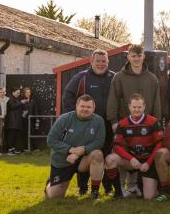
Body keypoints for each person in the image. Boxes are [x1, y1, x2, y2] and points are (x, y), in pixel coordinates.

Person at [106, 43, 161, 196]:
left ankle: (133, 186)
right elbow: (113, 99)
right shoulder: (119, 77)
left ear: (144, 57)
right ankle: (120, 187)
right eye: (133, 56)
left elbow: (156, 102)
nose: (136, 59)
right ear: (128, 57)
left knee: (141, 153)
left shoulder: (152, 78)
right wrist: (113, 121)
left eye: (139, 55)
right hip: (125, 125)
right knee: (123, 154)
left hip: (146, 127)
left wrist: (156, 123)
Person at [63, 48, 115, 194]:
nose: (100, 64)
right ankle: (83, 187)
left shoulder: (114, 77)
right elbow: (68, 95)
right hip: (87, 125)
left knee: (106, 155)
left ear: (108, 62)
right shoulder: (82, 77)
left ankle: (108, 187)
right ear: (91, 61)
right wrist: (74, 118)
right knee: (87, 155)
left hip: (109, 124)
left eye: (103, 61)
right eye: (97, 61)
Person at [45, 95, 105, 199]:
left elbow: (99, 142)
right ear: (76, 106)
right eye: (82, 106)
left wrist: (81, 151)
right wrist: (70, 150)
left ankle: (94, 192)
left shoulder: (98, 121)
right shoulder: (64, 119)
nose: (85, 109)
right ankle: (49, 184)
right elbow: (51, 140)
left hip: (82, 160)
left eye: (88, 107)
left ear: (93, 108)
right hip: (63, 160)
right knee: (54, 196)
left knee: (97, 154)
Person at [105, 94, 164, 199]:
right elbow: (117, 146)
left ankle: (155, 187)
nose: (137, 110)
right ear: (129, 107)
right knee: (110, 159)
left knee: (149, 197)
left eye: (139, 107)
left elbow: (160, 144)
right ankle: (119, 191)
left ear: (144, 107)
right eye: (134, 107)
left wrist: (148, 162)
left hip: (148, 161)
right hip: (132, 161)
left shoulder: (153, 122)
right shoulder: (122, 124)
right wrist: (131, 158)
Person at [4, 88, 24, 155]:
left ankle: (13, 149)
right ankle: (9, 150)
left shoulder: (17, 99)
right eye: (17, 92)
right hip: (12, 121)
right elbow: (12, 106)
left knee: (15, 135)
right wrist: (21, 102)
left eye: (19, 93)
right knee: (11, 135)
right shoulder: (9, 98)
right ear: (13, 92)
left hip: (16, 121)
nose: (18, 94)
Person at [20, 87, 40, 151]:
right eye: (26, 92)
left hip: (32, 120)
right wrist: (23, 114)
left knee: (33, 133)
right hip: (24, 120)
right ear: (24, 93)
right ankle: (25, 148)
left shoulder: (33, 101)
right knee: (25, 134)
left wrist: (37, 119)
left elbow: (35, 111)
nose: (28, 94)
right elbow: (19, 111)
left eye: (29, 92)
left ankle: (34, 148)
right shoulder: (21, 101)